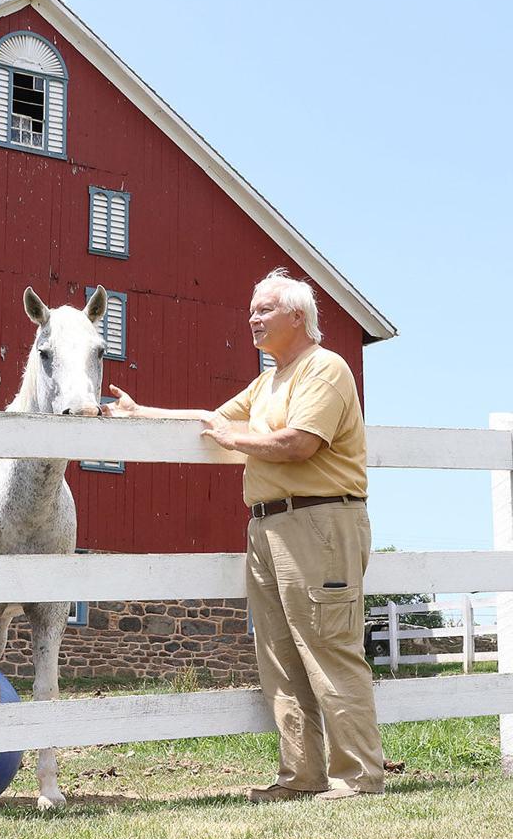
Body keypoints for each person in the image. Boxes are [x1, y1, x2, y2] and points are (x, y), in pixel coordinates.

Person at [103, 268, 383, 802]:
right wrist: (141, 413)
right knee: (278, 654)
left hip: (320, 523)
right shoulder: (272, 379)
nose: (252, 319)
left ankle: (358, 778)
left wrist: (239, 436)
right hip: (268, 524)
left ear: (297, 316)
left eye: (264, 310)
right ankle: (300, 777)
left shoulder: (324, 369)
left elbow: (301, 443)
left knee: (328, 646)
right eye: (251, 310)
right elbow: (214, 420)